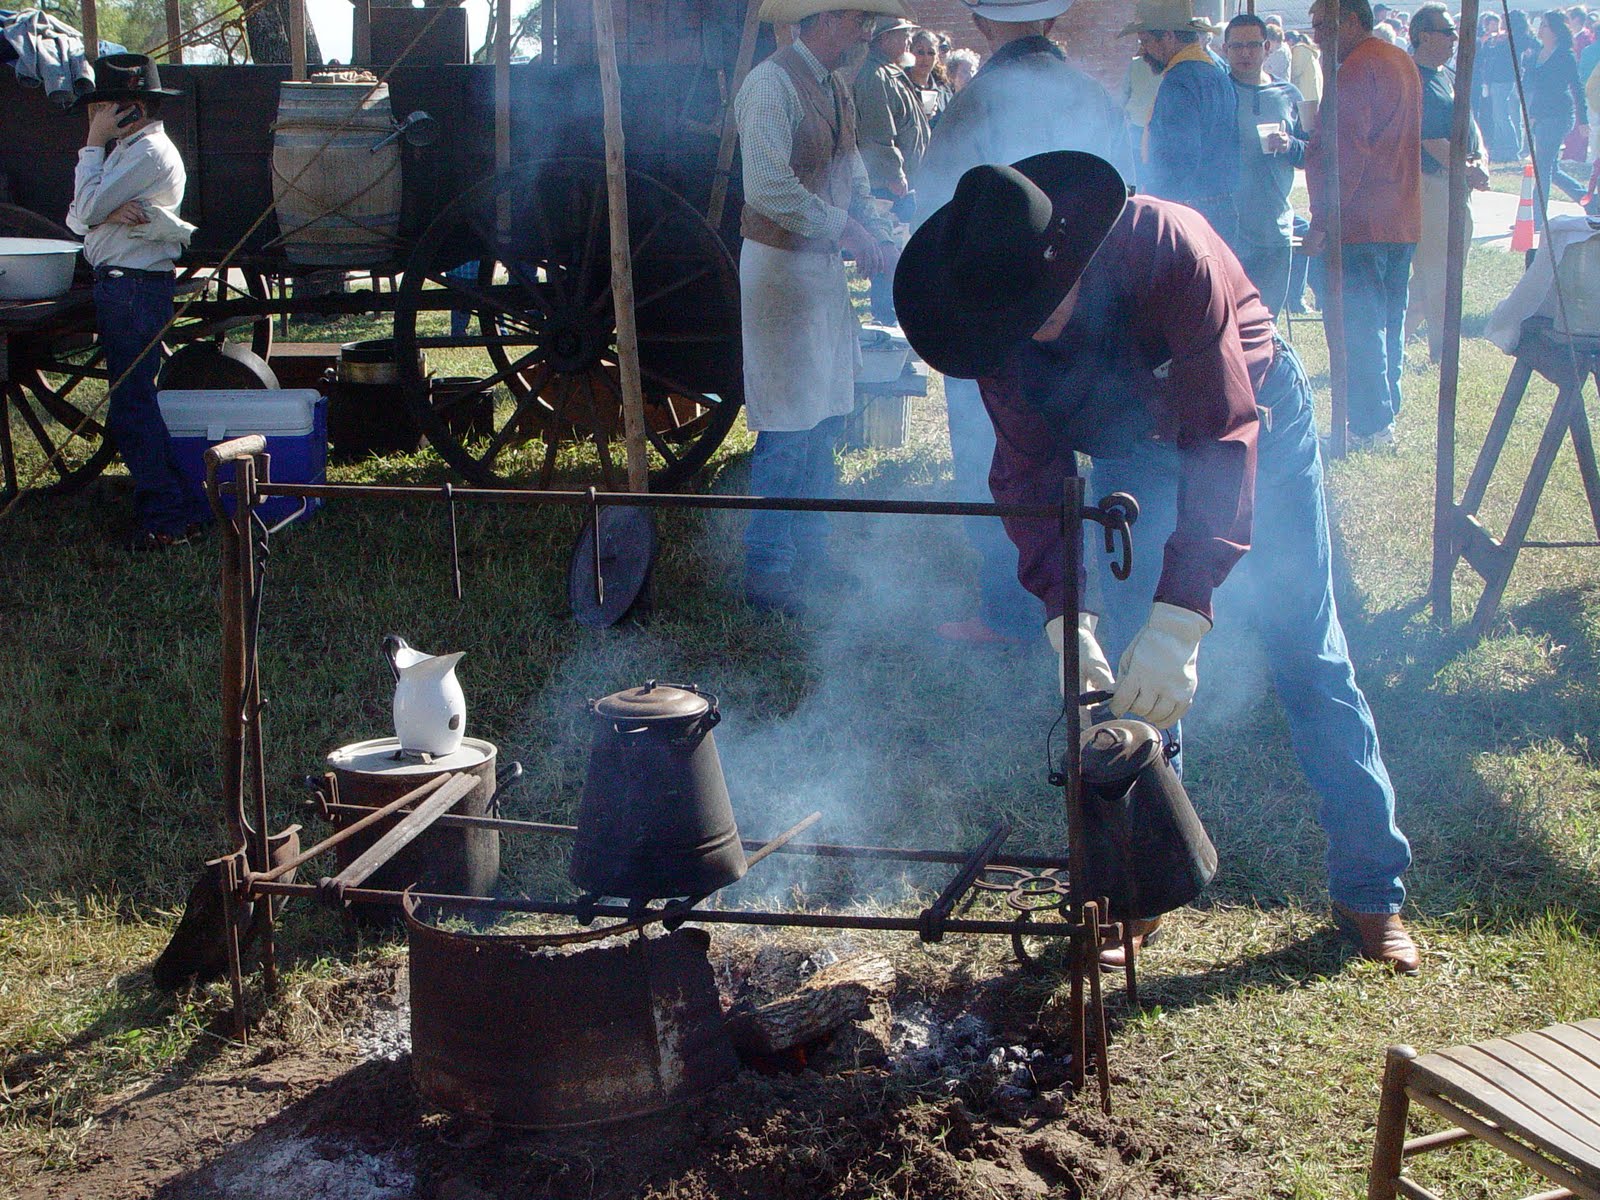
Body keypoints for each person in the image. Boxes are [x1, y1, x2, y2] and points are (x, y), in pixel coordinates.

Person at [895, 152, 1418, 974]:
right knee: (1133, 688)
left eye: (1042, 307)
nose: (1032, 330)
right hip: (1134, 450)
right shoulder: (991, 318)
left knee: (1307, 652)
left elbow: (1221, 437)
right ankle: (1144, 888)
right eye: (1015, 320)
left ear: (1070, 256)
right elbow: (1029, 475)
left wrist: (1183, 618)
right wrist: (1068, 615)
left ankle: (1371, 890)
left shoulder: (1169, 250)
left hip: (1254, 419)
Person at [911, 0, 1132, 647]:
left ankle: (1010, 610)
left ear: (983, 25)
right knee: (1108, 445)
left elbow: (935, 217)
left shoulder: (969, 106)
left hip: (998, 314)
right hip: (1089, 306)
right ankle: (1114, 596)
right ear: (1052, 23)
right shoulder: (1095, 95)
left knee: (1000, 459)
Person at [734, 0, 906, 616]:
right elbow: (768, 187)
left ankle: (811, 552)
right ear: (826, 20)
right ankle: (768, 570)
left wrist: (875, 226)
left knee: (827, 416)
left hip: (821, 270)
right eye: (859, 20)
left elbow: (850, 169)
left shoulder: (835, 85)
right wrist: (846, 229)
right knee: (788, 424)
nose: (867, 31)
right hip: (780, 270)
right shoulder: (769, 84)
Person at [65, 53, 209, 552]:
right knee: (133, 404)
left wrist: (91, 144)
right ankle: (182, 511)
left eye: (105, 106)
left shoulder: (146, 152)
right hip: (124, 285)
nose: (98, 116)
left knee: (132, 406)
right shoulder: (127, 152)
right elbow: (76, 219)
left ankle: (167, 519)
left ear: (133, 108)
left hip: (133, 287)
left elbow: (84, 208)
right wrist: (100, 214)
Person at [1304, 0, 1421, 451]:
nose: (1317, 36)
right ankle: (1383, 414)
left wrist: (1323, 221)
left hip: (1361, 220)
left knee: (1359, 326)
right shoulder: (1400, 60)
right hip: (1399, 217)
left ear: (1351, 20)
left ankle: (1371, 425)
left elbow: (1346, 154)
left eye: (1323, 25)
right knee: (1388, 319)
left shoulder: (1356, 68)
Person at [1406, 4, 1491, 362]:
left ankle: (1396, 338)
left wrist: (1480, 160)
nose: (1455, 38)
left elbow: (1470, 125)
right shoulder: (1415, 78)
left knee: (1439, 273)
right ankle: (1443, 353)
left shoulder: (1448, 74)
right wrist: (1466, 170)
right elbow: (1429, 139)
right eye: (1447, 32)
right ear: (1424, 36)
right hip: (1433, 184)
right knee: (1439, 274)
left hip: (1456, 183)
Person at [1124, 0, 1240, 241]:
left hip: (1189, 212)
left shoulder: (1179, 81)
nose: (1142, 51)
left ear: (1168, 36)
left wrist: (1156, 205)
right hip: (1221, 208)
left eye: (1145, 41)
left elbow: (1178, 160)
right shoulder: (1218, 74)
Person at [1224, 13, 1308, 315]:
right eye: (1237, 46)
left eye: (1253, 45)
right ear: (1225, 50)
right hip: (1229, 228)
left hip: (1275, 227)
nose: (1245, 53)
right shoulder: (1218, 91)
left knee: (1268, 319)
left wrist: (1290, 144)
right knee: (1231, 317)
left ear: (1267, 48)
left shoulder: (1290, 95)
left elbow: (1311, 153)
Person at [853, 14, 928, 322]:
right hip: (886, 185)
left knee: (898, 244)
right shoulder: (875, 76)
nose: (908, 39)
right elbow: (878, 133)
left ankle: (893, 312)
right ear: (883, 38)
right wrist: (893, 174)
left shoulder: (889, 72)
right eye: (902, 34)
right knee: (888, 245)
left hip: (899, 182)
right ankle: (887, 317)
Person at [1523, 9, 1589, 210]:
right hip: (1540, 114)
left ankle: (1537, 216)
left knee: (1542, 168)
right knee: (1551, 169)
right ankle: (1591, 201)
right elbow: (1532, 85)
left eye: (1545, 25)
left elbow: (1576, 87)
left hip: (1558, 115)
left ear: (1555, 30)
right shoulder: (1536, 53)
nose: (1540, 29)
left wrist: (1583, 120)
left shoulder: (1565, 55)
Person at [906, 28, 953, 125]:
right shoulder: (901, 87)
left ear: (937, 57)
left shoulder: (944, 91)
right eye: (920, 52)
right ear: (910, 53)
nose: (925, 58)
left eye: (931, 53)